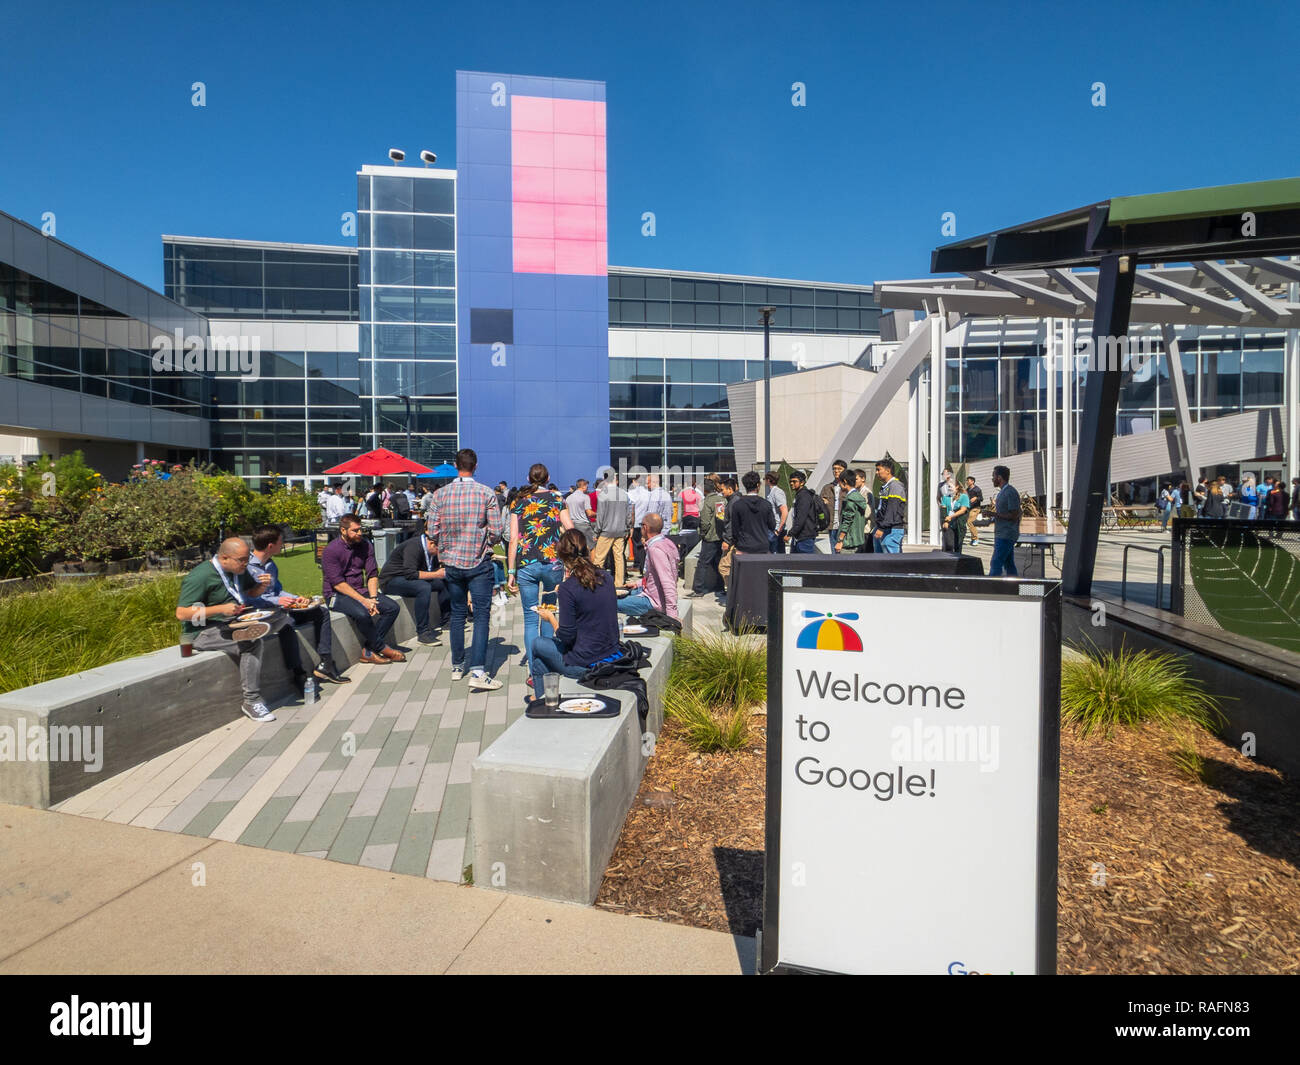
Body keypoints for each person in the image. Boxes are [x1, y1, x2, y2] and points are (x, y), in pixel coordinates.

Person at [177, 537, 291, 723]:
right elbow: (182, 613)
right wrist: (220, 609)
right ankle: (251, 701)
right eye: (242, 560)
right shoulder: (201, 576)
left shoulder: (238, 570)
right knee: (252, 644)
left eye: (247, 558)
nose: (246, 564)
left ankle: (252, 630)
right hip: (203, 631)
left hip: (233, 622)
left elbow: (249, 592)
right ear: (224, 558)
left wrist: (261, 586)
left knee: (283, 616)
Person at [426, 448, 505, 691]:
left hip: (451, 563)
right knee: (481, 615)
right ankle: (478, 670)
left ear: (455, 464)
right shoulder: (485, 493)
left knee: (458, 614)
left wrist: (445, 544)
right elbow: (497, 531)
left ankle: (457, 665)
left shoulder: (440, 494)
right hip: (478, 561)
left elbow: (432, 530)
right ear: (476, 465)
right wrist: (486, 542)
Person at [247, 525, 349, 685]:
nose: (283, 544)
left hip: (280, 608)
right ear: (270, 546)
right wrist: (278, 601)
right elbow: (249, 599)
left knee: (320, 612)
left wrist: (295, 598)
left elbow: (277, 590)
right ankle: (299, 674)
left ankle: (326, 663)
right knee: (286, 625)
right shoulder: (247, 568)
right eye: (281, 542)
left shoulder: (270, 565)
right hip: (263, 613)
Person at [530, 529, 621, 694]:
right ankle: (541, 699)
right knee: (540, 664)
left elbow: (566, 636)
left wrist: (550, 618)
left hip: (586, 662)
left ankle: (541, 702)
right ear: (586, 550)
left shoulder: (568, 588)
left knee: (537, 644)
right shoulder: (606, 577)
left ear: (563, 558)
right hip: (611, 651)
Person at [507, 463, 574, 681]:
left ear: (528, 478)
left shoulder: (518, 501)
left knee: (529, 618)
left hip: (526, 563)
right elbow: (570, 529)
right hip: (553, 562)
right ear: (548, 478)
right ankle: (549, 667)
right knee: (548, 613)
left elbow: (514, 538)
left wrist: (510, 571)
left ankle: (533, 670)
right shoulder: (557, 498)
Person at [321, 515, 404, 665]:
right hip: (336, 594)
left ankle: (368, 650)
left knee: (392, 608)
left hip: (360, 590)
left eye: (361, 529)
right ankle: (382, 648)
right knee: (362, 613)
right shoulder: (331, 550)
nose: (360, 533)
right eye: (355, 530)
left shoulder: (366, 545)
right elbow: (338, 583)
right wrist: (364, 602)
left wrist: (372, 598)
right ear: (343, 530)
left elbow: (372, 574)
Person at [378, 527, 450, 646]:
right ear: (432, 543)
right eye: (439, 550)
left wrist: (441, 573)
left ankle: (447, 621)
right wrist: (436, 574)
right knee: (423, 587)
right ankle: (423, 632)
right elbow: (410, 573)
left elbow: (431, 570)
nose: (440, 554)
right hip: (391, 580)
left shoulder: (430, 551)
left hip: (407, 578)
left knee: (444, 581)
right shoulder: (414, 546)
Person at [619, 513, 680, 619]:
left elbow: (667, 581)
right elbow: (655, 575)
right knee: (616, 593)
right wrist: (638, 583)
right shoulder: (668, 543)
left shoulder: (655, 550)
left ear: (645, 527)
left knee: (609, 602)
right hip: (649, 592)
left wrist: (672, 616)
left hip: (653, 602)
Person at [688, 475, 728, 598]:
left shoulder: (707, 502)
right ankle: (720, 587)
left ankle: (698, 589)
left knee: (702, 563)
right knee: (717, 562)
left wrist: (703, 533)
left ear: (705, 490)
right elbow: (721, 519)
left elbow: (704, 522)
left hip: (709, 537)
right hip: (719, 537)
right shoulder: (721, 500)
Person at [591, 476, 634, 585]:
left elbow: (600, 516)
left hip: (606, 531)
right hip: (620, 531)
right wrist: (628, 528)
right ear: (617, 481)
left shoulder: (603, 495)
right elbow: (628, 514)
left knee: (599, 559)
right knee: (619, 558)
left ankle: (597, 582)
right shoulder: (624, 494)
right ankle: (619, 583)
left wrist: (597, 531)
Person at [988, 465, 1022, 577]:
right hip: (1003, 533)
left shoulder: (1010, 492)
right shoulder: (1003, 492)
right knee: (1009, 563)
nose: (992, 478)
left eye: (993, 476)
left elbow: (1014, 514)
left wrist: (994, 514)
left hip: (1006, 534)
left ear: (999, 477)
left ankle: (991, 588)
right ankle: (1014, 586)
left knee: (996, 563)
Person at [873, 458, 907, 553]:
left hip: (892, 529)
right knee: (881, 561)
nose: (876, 473)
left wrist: (882, 527)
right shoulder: (886, 487)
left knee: (892, 562)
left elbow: (892, 510)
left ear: (888, 471)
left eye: (878, 469)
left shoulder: (895, 486)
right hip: (884, 528)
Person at [786, 470, 821, 553]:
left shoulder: (804, 496)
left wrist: (790, 533)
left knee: (806, 564)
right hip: (800, 536)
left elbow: (801, 518)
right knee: (796, 563)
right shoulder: (800, 495)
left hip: (805, 537)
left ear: (802, 483)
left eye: (794, 481)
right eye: (790, 481)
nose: (791, 483)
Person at [835, 470, 868, 554]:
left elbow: (847, 521)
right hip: (858, 541)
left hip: (848, 542)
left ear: (845, 481)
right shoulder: (859, 496)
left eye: (840, 482)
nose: (839, 484)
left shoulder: (850, 499)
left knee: (844, 566)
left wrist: (840, 540)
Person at [627, 475, 651, 571]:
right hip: (645, 522)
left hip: (635, 522)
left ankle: (637, 564)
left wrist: (630, 525)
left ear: (634, 481)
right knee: (644, 544)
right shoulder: (648, 494)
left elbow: (630, 510)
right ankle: (643, 565)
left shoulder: (631, 493)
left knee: (636, 544)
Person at [821, 458, 849, 539]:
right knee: (834, 549)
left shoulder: (849, 487)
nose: (836, 471)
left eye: (839, 469)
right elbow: (820, 505)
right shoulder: (827, 487)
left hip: (845, 526)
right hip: (832, 525)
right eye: (834, 469)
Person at [565, 478, 596, 548]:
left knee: (577, 547)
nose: (587, 488)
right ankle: (591, 559)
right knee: (592, 546)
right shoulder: (585, 497)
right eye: (587, 486)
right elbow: (589, 513)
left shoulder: (568, 498)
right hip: (584, 526)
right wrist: (598, 515)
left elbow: (567, 513)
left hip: (572, 525)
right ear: (583, 486)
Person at [942, 480, 970, 556]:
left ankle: (958, 563)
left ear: (957, 486)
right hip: (949, 524)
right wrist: (945, 521)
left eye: (950, 486)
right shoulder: (945, 497)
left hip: (959, 524)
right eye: (947, 486)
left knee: (958, 545)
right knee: (948, 545)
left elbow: (963, 510)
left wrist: (951, 516)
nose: (949, 488)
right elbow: (943, 510)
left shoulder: (964, 497)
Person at [764, 471, 788, 554]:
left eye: (765, 479)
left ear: (768, 480)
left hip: (776, 530)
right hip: (773, 529)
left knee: (776, 556)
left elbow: (784, 510)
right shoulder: (772, 492)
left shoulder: (777, 492)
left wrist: (778, 529)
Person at [852, 469, 875, 552]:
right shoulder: (856, 492)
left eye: (856, 479)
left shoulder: (867, 493)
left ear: (863, 479)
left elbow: (867, 512)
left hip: (865, 531)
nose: (854, 482)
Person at [965, 476, 985, 546]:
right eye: (966, 481)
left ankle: (975, 539)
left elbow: (981, 498)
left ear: (972, 481)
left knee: (970, 522)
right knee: (969, 523)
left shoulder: (977, 489)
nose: (967, 482)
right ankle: (973, 539)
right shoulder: (967, 490)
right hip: (969, 508)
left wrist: (976, 497)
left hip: (975, 508)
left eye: (968, 480)